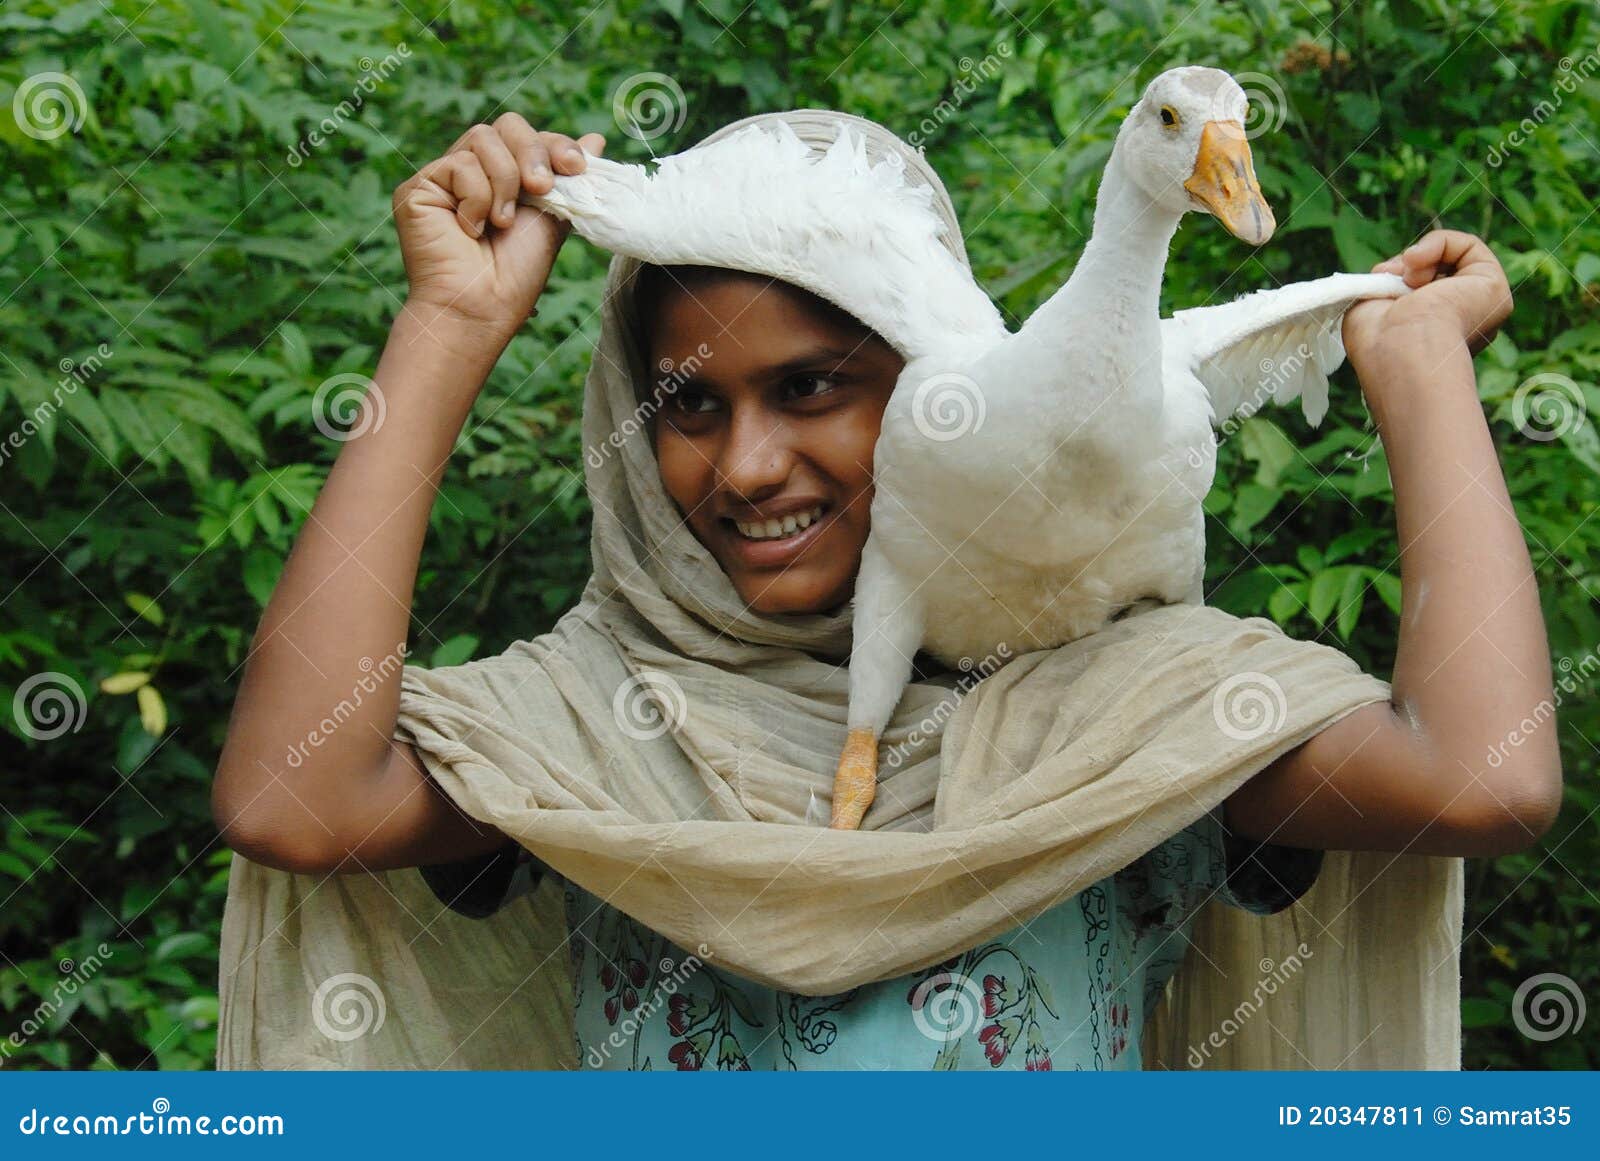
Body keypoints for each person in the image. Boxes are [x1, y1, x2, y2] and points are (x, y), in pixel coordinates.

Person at [212, 110, 1561, 1071]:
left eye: (810, 387)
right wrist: (448, 326)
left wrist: (1420, 367)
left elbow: (1483, 780)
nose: (744, 465)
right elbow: (291, 796)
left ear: (931, 384)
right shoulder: (596, 717)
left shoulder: (1119, 700)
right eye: (685, 404)